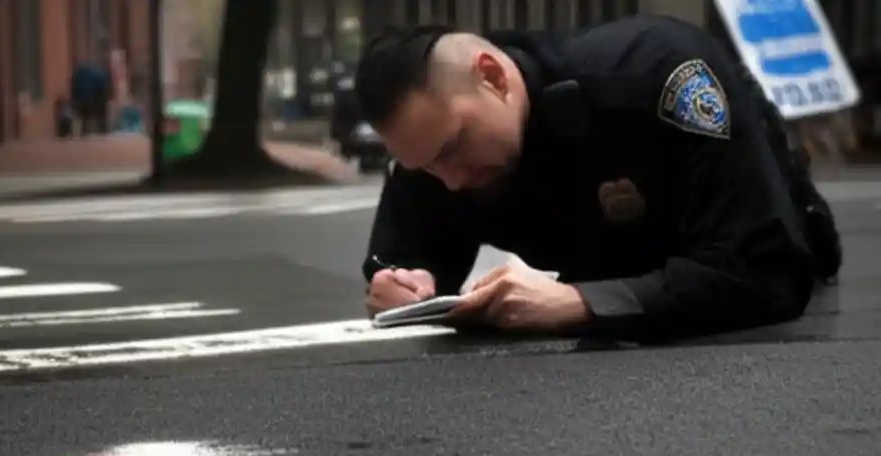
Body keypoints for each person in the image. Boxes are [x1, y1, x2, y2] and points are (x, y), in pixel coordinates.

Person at [356, 15, 842, 343]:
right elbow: (406, 255)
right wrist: (405, 281)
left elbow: (765, 271)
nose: (453, 181)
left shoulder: (655, 77)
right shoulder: (434, 142)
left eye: (453, 148)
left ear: (493, 77)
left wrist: (579, 304)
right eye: (428, 169)